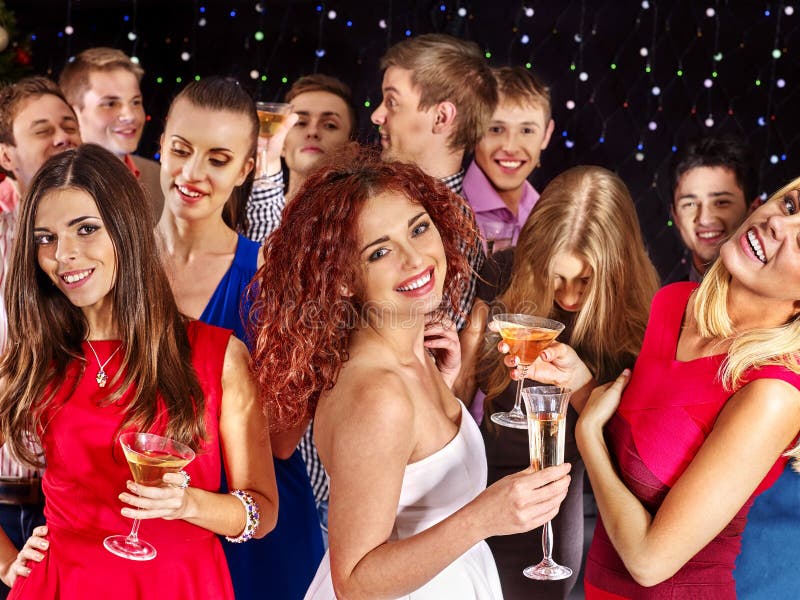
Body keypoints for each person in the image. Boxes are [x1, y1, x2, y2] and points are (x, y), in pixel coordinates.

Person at [249, 146, 571, 599]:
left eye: (418, 228)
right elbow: (354, 582)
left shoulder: (413, 355)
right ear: (342, 279)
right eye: (380, 252)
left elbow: (415, 470)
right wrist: (485, 517)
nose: (415, 258)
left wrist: (446, 387)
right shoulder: (379, 396)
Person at [0, 143, 277, 599]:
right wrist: (9, 563)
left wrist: (187, 504)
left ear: (126, 228)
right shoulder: (37, 356)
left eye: (85, 229)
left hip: (180, 585)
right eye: (45, 238)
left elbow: (263, 512)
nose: (63, 254)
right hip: (63, 585)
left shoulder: (219, 356)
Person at [521, 176, 800, 598]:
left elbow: (649, 562)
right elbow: (636, 453)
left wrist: (587, 437)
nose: (778, 223)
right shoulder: (674, 303)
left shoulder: (773, 393)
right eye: (790, 206)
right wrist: (577, 381)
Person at [457, 166, 660, 599]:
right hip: (467, 505)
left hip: (544, 523)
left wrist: (582, 384)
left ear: (616, 269)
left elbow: (635, 462)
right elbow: (456, 399)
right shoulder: (503, 273)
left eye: (585, 281)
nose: (567, 297)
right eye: (556, 276)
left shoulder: (639, 326)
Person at [156, 77, 323, 600]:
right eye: (181, 149)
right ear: (160, 144)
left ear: (247, 169)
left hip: (259, 532)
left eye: (218, 159)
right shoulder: (111, 265)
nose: (192, 173)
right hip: (148, 521)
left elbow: (283, 439)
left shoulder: (272, 278)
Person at [0, 76, 81, 598]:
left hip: (81, 504)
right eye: (42, 129)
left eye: (69, 125)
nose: (62, 136)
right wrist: (6, 562)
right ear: (6, 156)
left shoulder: (107, 249)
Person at [371, 33, 497, 331]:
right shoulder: (376, 193)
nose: (377, 115)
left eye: (392, 102)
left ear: (441, 117)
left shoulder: (455, 226)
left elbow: (426, 341)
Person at [245, 73, 356, 243]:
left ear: (351, 151)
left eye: (329, 125)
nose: (312, 132)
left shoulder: (360, 224)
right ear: (282, 143)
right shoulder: (245, 214)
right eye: (301, 123)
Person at [58, 47, 163, 222]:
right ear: (73, 112)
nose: (129, 116)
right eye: (110, 104)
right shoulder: (54, 184)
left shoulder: (159, 178)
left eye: (135, 102)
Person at [463, 66, 554, 252]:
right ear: (473, 131)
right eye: (496, 129)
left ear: (546, 135)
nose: (510, 147)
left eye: (526, 131)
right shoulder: (448, 213)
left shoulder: (551, 216)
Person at [665, 133, 757, 284]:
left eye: (721, 202)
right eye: (690, 204)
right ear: (675, 215)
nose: (705, 219)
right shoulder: (666, 298)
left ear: (754, 209)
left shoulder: (787, 296)